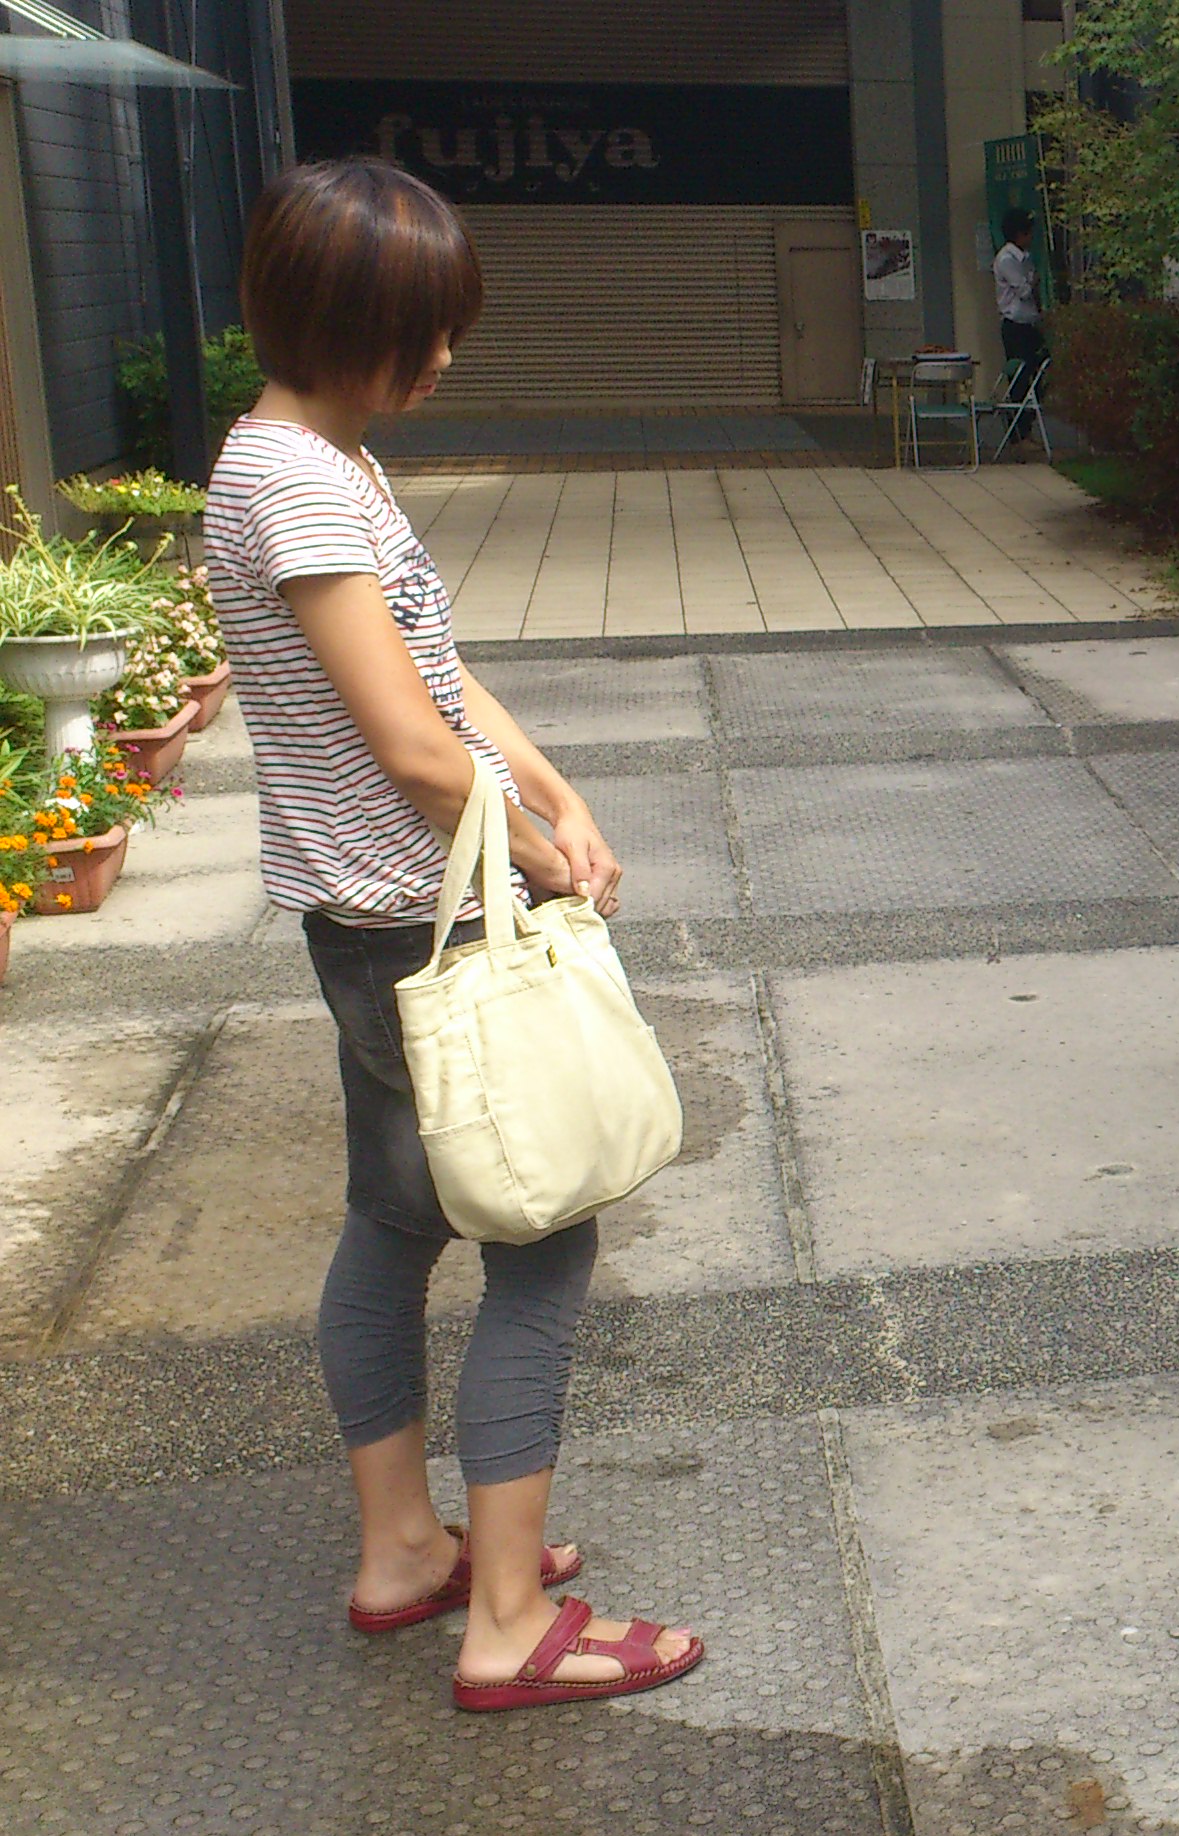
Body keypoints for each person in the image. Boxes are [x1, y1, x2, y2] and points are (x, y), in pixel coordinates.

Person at [205, 157, 699, 1711]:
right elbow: (412, 750)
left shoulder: (321, 456)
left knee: (397, 1223)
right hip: (418, 924)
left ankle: (406, 1551)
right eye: (421, 333)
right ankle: (503, 1620)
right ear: (347, 322)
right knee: (542, 1243)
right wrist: (544, 866)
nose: (441, 359)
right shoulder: (292, 481)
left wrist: (560, 794)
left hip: (377, 921)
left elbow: (443, 677)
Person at [992, 206, 1046, 418]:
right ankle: (1018, 433)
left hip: (1030, 324)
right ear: (1018, 234)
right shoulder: (1007, 259)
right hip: (1015, 326)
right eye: (1028, 233)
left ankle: (1031, 420)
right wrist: (1033, 281)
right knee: (1019, 379)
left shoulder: (1026, 257)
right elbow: (1024, 290)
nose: (1031, 237)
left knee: (1042, 369)